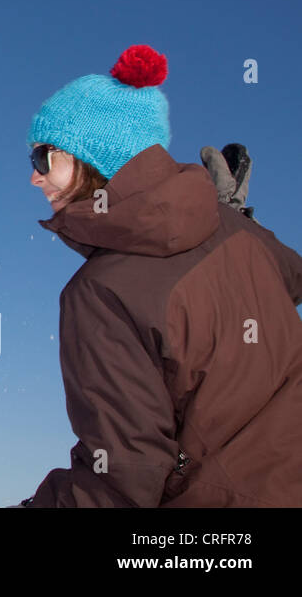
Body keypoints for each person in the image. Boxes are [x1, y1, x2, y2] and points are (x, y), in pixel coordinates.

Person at [17, 44, 302, 506]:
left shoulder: (99, 292)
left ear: (95, 158)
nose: (34, 177)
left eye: (43, 158)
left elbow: (126, 475)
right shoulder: (231, 227)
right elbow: (291, 279)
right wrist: (232, 224)